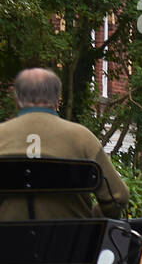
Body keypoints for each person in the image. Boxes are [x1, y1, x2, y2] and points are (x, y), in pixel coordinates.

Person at [0, 67, 130, 220]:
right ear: (57, 100)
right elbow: (118, 198)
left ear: (16, 100)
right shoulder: (82, 138)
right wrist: (91, 219)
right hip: (72, 241)